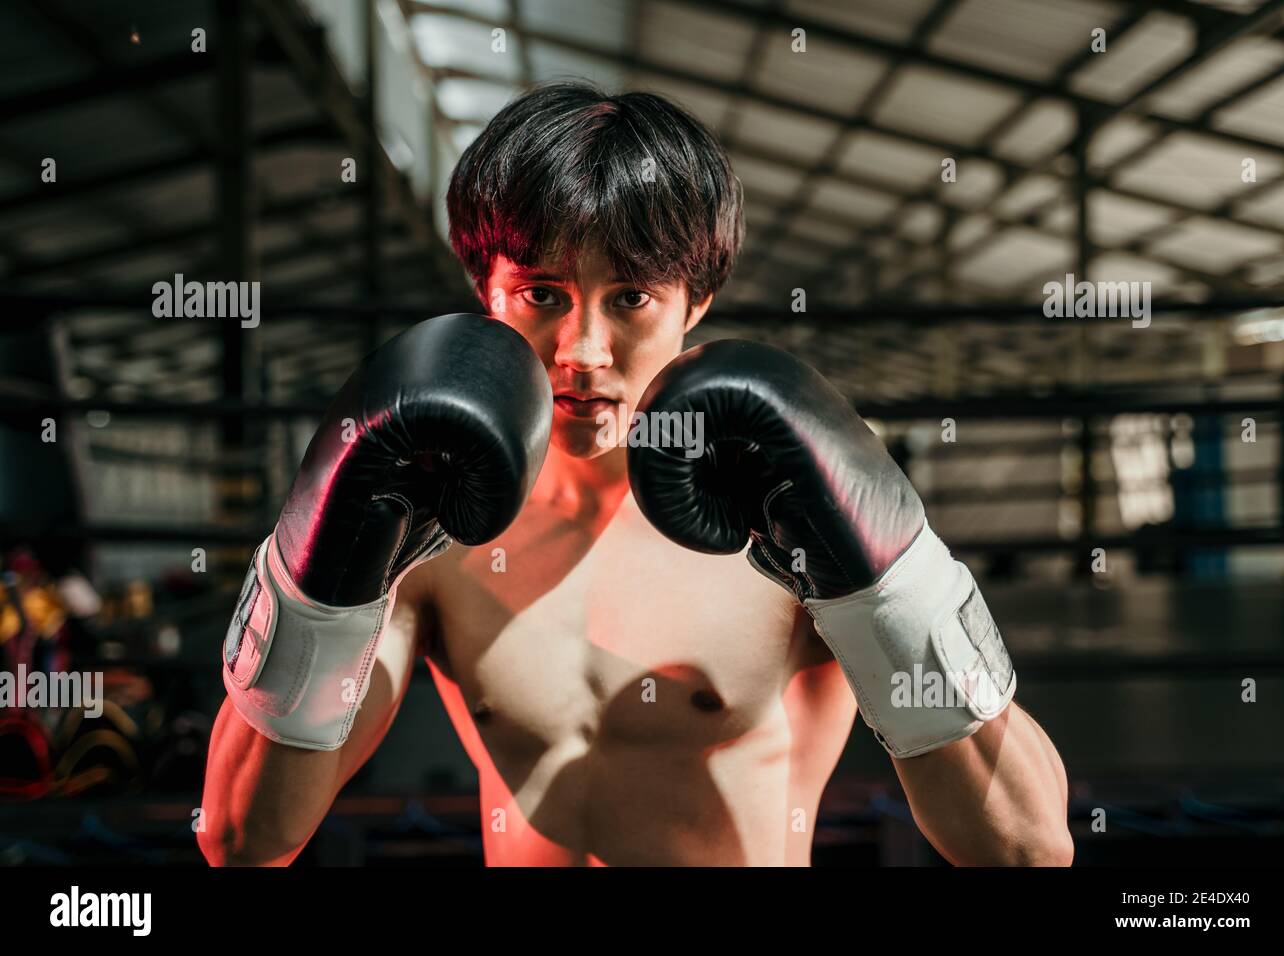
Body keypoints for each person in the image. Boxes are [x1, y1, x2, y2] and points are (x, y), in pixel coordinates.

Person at [199, 82, 1072, 867]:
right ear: (484, 294)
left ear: (698, 300)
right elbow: (242, 841)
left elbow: (1028, 850)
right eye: (542, 294)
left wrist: (890, 579)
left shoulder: (776, 507)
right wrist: (318, 565)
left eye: (631, 298)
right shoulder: (441, 525)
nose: (582, 353)